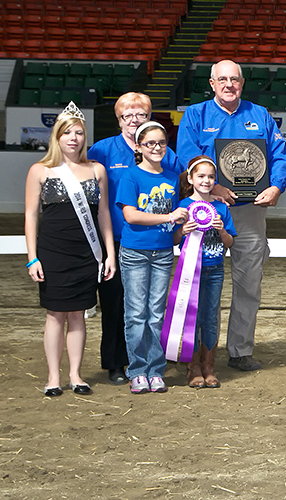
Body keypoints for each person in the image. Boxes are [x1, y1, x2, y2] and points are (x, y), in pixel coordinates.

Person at [177, 59, 286, 372]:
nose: (229, 85)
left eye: (235, 80)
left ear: (242, 83)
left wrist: (277, 187)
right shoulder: (195, 115)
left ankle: (240, 350)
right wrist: (212, 190)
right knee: (199, 283)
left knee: (248, 283)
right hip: (206, 214)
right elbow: (185, 159)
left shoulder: (260, 115)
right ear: (212, 84)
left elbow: (279, 156)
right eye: (222, 80)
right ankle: (197, 352)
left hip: (250, 213)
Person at [88, 92, 182, 385]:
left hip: (155, 240)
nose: (134, 120)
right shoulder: (102, 150)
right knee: (117, 303)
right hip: (113, 239)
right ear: (118, 121)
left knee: (151, 308)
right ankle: (117, 362)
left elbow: (187, 183)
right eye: (127, 115)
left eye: (140, 114)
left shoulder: (168, 155)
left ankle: (148, 362)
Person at [24, 102, 116, 397]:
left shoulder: (96, 170)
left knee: (78, 314)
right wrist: (32, 258)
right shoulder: (40, 170)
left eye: (78, 132)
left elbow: (103, 214)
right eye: (67, 133)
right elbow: (30, 216)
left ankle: (76, 375)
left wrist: (109, 254)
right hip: (52, 251)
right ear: (57, 137)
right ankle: (53, 377)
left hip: (87, 252)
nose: (73, 138)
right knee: (55, 314)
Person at [117, 122, 188, 394]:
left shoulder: (172, 177)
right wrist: (169, 217)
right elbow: (131, 215)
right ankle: (137, 369)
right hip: (135, 251)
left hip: (162, 252)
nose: (157, 148)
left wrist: (183, 227)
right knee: (136, 314)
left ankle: (156, 370)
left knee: (157, 314)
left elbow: (180, 214)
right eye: (150, 143)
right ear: (138, 147)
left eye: (161, 143)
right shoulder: (131, 177)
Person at [174, 156, 237, 388]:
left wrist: (221, 231)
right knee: (192, 318)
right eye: (201, 176)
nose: (207, 181)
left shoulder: (221, 208)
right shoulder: (182, 206)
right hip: (191, 270)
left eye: (211, 177)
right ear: (190, 179)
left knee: (210, 319)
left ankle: (209, 366)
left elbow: (229, 243)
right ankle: (193, 367)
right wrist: (183, 230)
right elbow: (173, 239)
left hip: (215, 270)